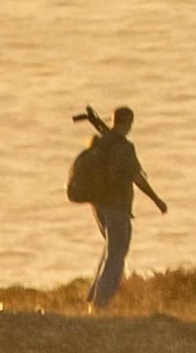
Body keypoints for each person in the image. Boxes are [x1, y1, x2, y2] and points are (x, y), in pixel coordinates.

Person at [65, 101, 164, 308]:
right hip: (116, 206)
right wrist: (156, 200)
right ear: (129, 122)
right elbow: (137, 177)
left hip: (99, 205)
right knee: (117, 254)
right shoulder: (123, 147)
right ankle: (100, 303)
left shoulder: (101, 142)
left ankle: (94, 297)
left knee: (111, 250)